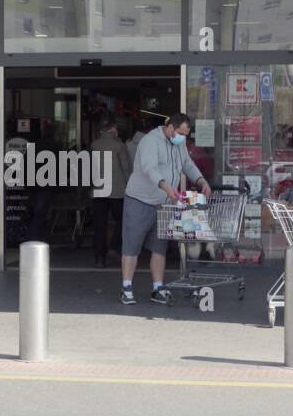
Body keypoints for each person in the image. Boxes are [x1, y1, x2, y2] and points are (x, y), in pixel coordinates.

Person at [120, 113, 211, 305]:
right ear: (170, 127)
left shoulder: (179, 144)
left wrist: (201, 180)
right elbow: (149, 168)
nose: (183, 137)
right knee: (132, 246)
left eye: (186, 134)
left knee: (159, 247)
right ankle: (127, 288)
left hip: (164, 203)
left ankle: (158, 288)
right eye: (180, 133)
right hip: (140, 200)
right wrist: (167, 187)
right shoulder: (150, 141)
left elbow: (187, 164)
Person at [89, 117, 131, 268]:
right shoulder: (119, 146)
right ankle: (114, 246)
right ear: (112, 131)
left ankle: (99, 257)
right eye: (116, 129)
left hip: (99, 190)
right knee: (122, 219)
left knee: (100, 224)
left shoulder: (94, 144)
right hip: (117, 190)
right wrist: (130, 186)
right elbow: (125, 168)